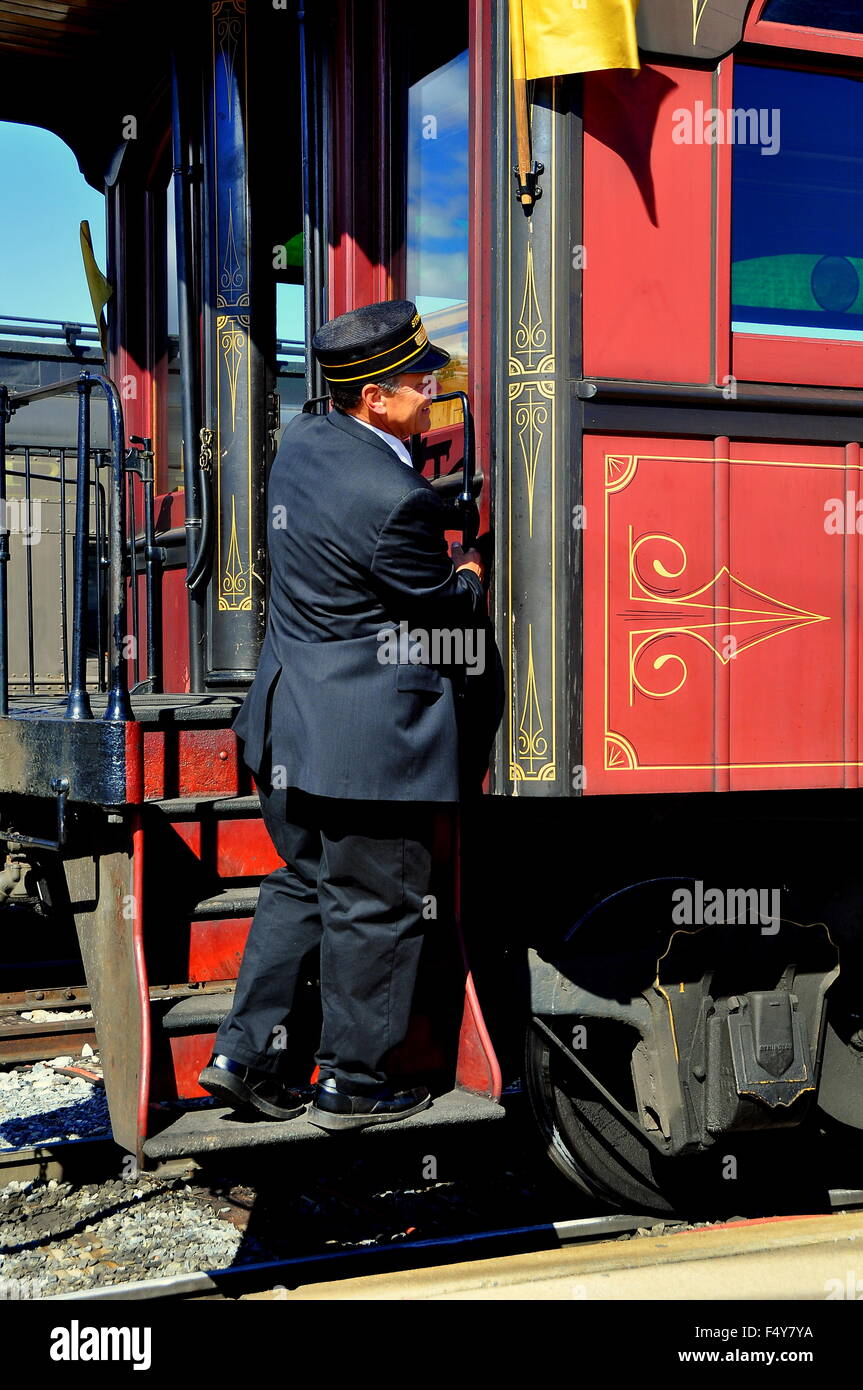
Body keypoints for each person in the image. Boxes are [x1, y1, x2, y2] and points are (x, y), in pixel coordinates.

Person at [198, 300, 488, 1131]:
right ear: (374, 399)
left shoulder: (305, 445)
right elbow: (438, 608)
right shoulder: (398, 498)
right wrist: (467, 568)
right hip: (371, 747)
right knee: (378, 908)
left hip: (291, 723)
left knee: (300, 885)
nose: (432, 389)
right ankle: (354, 1080)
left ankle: (241, 1056)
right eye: (418, 379)